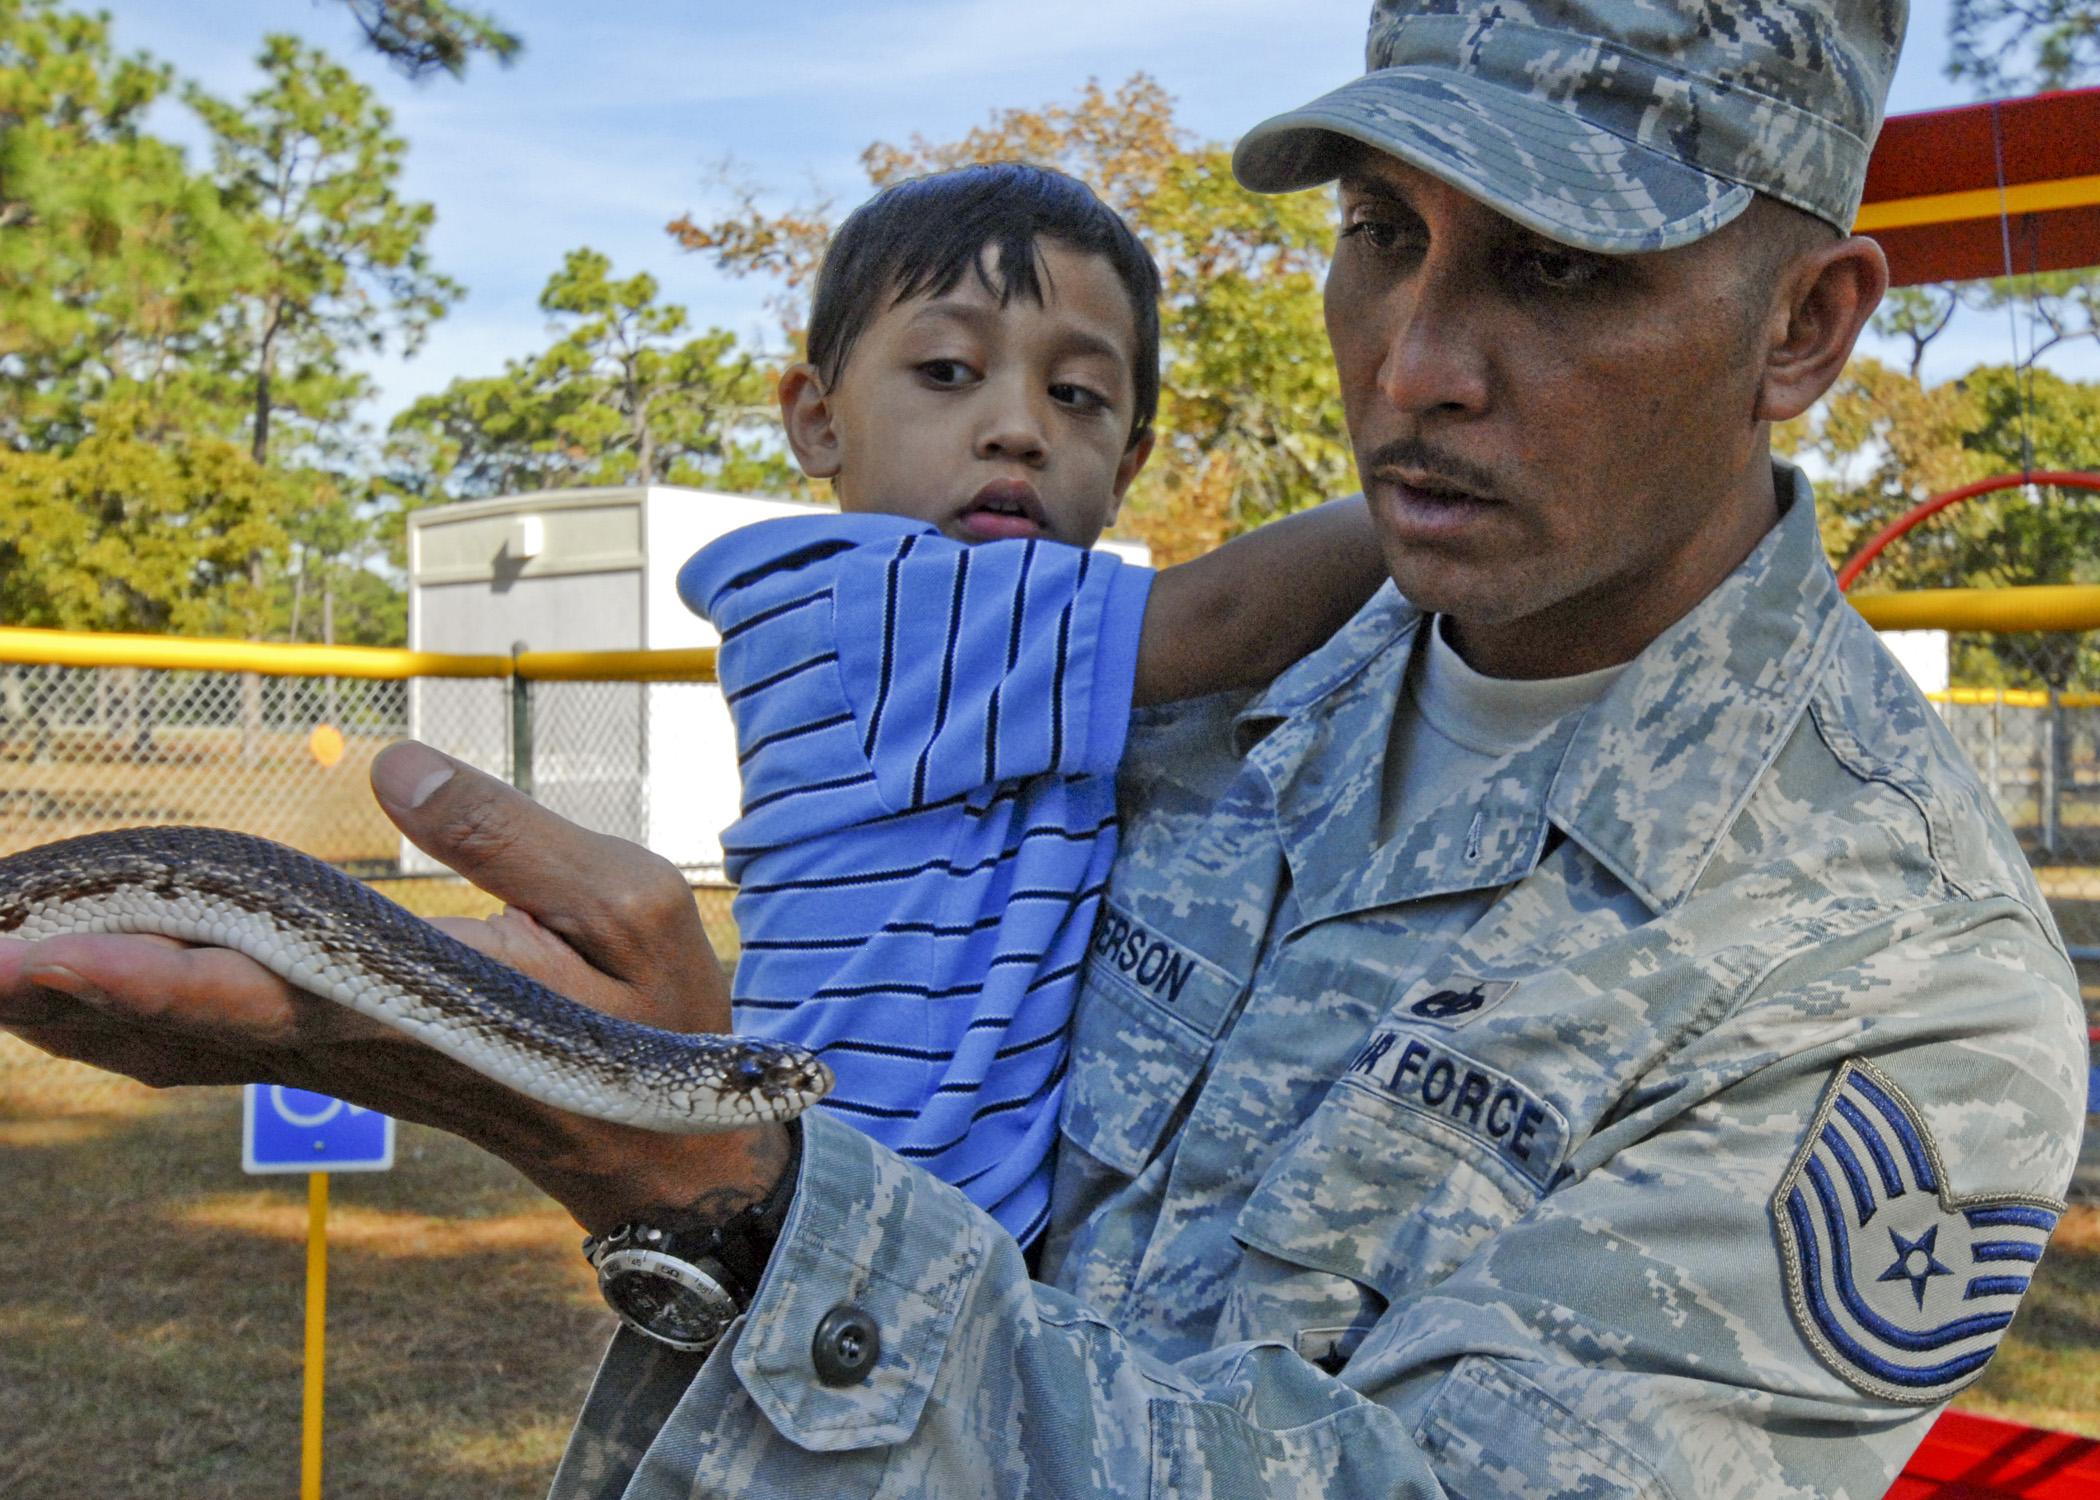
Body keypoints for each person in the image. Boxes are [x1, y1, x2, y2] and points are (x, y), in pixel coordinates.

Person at [1, 0, 2086, 1493]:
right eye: (1382, 233)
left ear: (1805, 329)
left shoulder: (1891, 978)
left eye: (1559, 268)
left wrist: (724, 1188)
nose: (1417, 367)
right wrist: (688, 1091)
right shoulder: (1175, 667)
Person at [680, 162, 1384, 1246]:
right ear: (818, 423)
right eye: (949, 370)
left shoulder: (1012, 641)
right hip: (849, 1219)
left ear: (1127, 466)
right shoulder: (885, 596)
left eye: (1077, 396)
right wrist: (1435, 496)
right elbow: (1225, 617)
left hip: (936, 1225)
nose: (1018, 427)